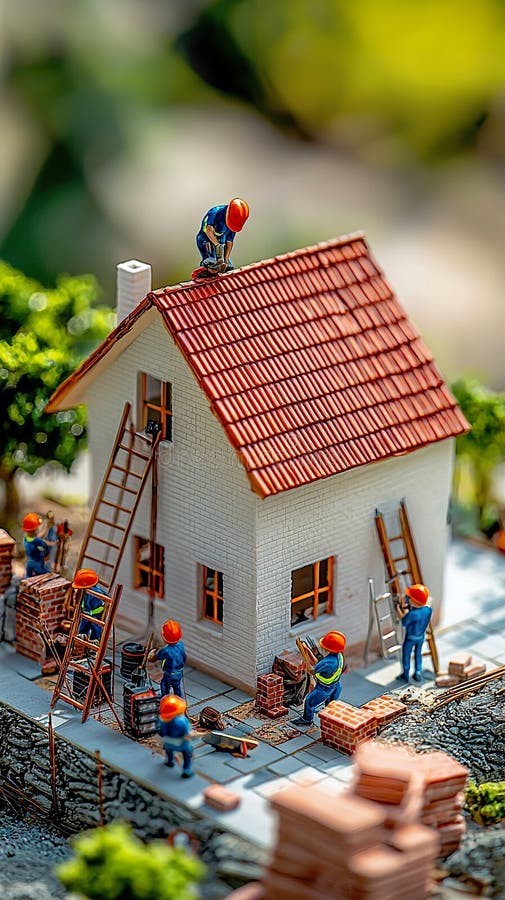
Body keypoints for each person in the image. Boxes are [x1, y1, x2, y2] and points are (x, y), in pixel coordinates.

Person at [292, 631, 346, 727]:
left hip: (324, 689)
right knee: (330, 704)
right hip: (336, 686)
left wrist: (305, 655)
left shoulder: (327, 662)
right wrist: (308, 650)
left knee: (309, 702)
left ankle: (307, 720)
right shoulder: (339, 656)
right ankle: (329, 717)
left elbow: (312, 671)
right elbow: (319, 663)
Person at [196, 198, 249, 272]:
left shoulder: (234, 224)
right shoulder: (215, 212)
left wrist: (226, 260)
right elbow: (209, 230)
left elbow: (229, 242)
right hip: (206, 240)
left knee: (228, 266)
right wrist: (217, 245)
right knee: (211, 261)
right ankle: (208, 267)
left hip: (221, 243)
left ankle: (221, 264)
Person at [397, 583, 432, 683]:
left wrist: (400, 609)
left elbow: (404, 622)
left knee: (406, 655)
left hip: (410, 638)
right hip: (421, 636)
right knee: (418, 654)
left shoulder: (412, 614)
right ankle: (418, 672)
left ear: (414, 601)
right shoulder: (428, 610)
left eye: (409, 598)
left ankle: (405, 675)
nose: (407, 599)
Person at [157, 695, 194, 778]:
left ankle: (169, 761)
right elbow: (186, 733)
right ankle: (186, 770)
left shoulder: (161, 719)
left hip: (167, 742)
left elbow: (160, 731)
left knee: (169, 750)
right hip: (181, 743)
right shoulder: (181, 720)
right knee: (187, 753)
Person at [151, 619, 186, 698]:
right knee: (178, 688)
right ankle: (180, 700)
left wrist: (153, 654)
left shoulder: (166, 650)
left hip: (169, 673)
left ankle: (165, 698)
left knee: (165, 686)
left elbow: (155, 657)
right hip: (179, 672)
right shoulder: (181, 645)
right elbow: (184, 657)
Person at [73, 568, 108, 643]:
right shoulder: (85, 591)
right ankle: (81, 640)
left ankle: (94, 643)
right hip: (87, 612)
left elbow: (100, 607)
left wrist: (89, 612)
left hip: (94, 614)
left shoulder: (95, 595)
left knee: (95, 629)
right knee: (83, 627)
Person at [22, 513, 50, 577]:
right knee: (46, 575)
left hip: (29, 563)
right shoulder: (38, 541)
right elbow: (45, 548)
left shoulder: (26, 539)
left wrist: (47, 527)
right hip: (37, 564)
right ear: (35, 530)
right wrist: (46, 555)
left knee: (28, 578)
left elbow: (38, 537)